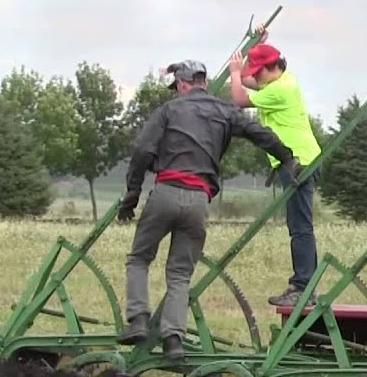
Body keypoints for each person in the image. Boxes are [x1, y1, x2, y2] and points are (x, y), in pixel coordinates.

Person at [118, 59, 299, 360]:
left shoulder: (169, 111)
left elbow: (142, 151)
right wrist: (287, 158)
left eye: (177, 86)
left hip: (166, 192)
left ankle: (138, 320)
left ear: (185, 83)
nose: (176, 91)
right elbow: (259, 133)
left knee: (139, 258)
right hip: (199, 200)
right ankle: (173, 340)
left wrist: (132, 194)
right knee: (179, 273)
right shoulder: (225, 110)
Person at [226, 27, 322, 309]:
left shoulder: (281, 89)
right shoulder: (280, 80)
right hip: (297, 160)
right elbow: (247, 79)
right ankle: (302, 284)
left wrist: (234, 73)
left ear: (273, 68)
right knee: (298, 225)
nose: (254, 77)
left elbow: (240, 97)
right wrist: (258, 45)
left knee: (300, 226)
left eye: (259, 71)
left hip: (298, 162)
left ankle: (304, 287)